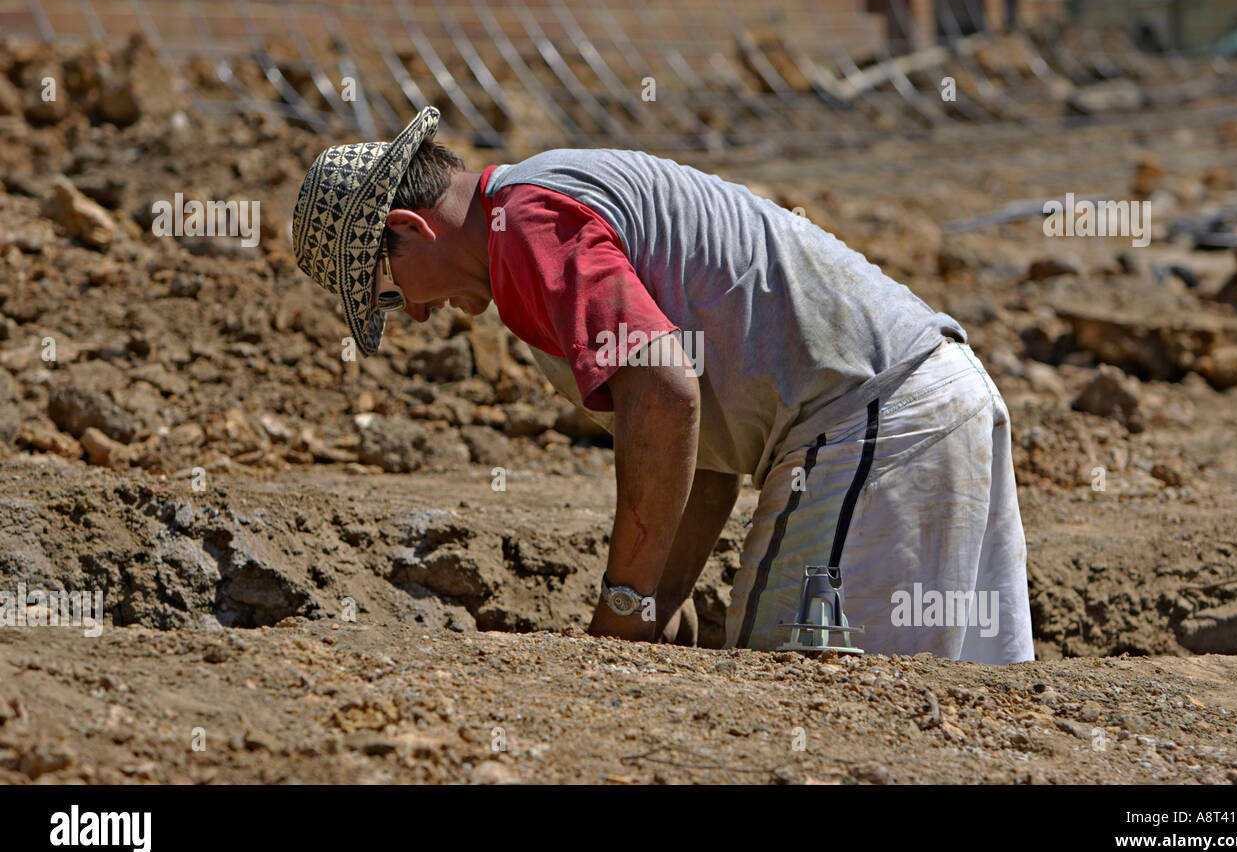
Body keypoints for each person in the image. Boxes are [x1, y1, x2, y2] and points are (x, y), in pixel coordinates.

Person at [291, 106, 1033, 663]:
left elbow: (665, 391)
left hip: (871, 425)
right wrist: (661, 601)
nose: (414, 313)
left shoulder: (525, 227)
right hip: (927, 406)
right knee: (953, 725)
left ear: (411, 229)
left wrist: (623, 604)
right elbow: (697, 438)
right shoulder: (536, 207)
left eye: (390, 292)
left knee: (795, 708)